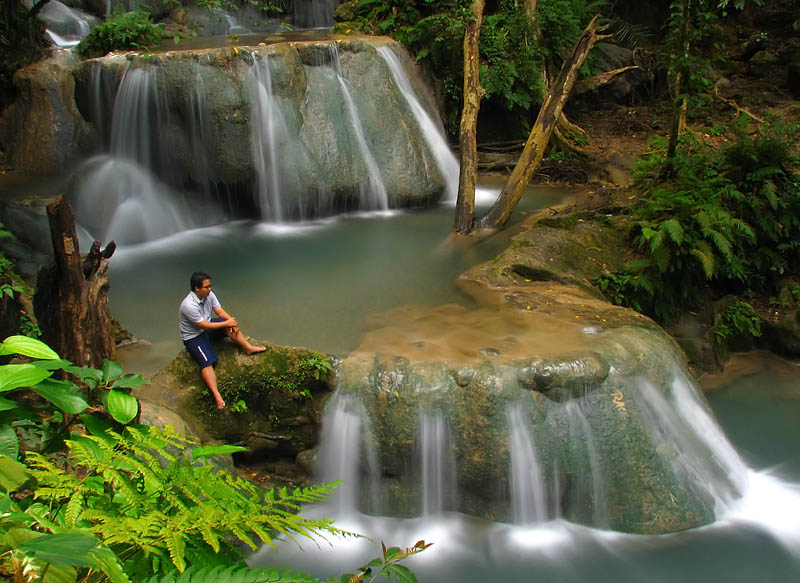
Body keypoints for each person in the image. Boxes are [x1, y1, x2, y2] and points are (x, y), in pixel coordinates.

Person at [179, 271, 266, 409]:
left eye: (210, 286)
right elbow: (203, 325)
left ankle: (247, 347)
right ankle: (217, 395)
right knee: (207, 362)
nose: (209, 289)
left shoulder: (209, 295)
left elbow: (219, 311)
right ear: (197, 288)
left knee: (229, 327)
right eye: (206, 287)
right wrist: (226, 323)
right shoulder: (189, 305)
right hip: (194, 336)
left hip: (208, 328)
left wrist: (231, 322)